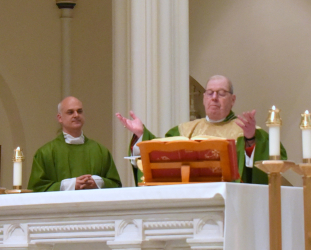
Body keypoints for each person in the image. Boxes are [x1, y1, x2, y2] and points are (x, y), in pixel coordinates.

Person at [115, 75, 284, 185]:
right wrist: (141, 134)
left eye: (221, 93)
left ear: (232, 100)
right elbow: (160, 154)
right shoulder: (185, 130)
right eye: (209, 93)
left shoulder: (244, 131)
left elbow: (265, 172)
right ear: (203, 98)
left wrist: (251, 139)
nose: (214, 98)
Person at [28, 96, 122, 192]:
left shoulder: (100, 151)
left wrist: (97, 182)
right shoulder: (45, 153)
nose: (76, 115)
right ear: (60, 118)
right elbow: (36, 189)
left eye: (79, 111)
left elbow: (116, 185)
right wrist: (69, 185)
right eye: (70, 112)